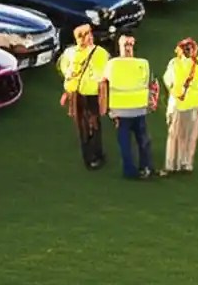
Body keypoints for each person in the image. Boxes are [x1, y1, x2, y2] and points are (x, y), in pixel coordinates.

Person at [100, 35, 160, 179]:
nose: (128, 48)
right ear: (119, 47)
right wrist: (105, 107)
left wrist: (152, 101)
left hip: (135, 110)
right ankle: (137, 169)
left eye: (130, 45)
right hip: (125, 111)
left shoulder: (139, 63)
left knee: (138, 141)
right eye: (125, 45)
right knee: (131, 143)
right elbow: (103, 85)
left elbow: (151, 84)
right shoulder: (115, 64)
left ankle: (143, 168)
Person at [58, 24, 110, 170]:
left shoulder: (70, 52)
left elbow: (63, 68)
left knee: (84, 126)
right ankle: (94, 157)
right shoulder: (99, 52)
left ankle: (91, 156)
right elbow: (104, 73)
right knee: (92, 125)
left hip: (77, 93)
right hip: (89, 94)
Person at [161, 37, 198, 175]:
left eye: (191, 47)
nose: (189, 50)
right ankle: (173, 164)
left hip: (194, 104)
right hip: (179, 104)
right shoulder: (175, 63)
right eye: (186, 48)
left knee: (189, 134)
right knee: (176, 134)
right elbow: (169, 83)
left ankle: (185, 163)